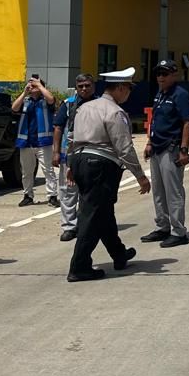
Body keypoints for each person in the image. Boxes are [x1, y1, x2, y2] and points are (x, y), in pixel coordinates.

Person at [65, 67, 150, 282]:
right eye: (128, 89)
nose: (128, 93)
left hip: (79, 160)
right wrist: (140, 176)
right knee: (92, 215)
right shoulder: (115, 112)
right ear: (120, 88)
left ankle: (118, 254)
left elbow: (72, 138)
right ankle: (79, 266)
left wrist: (69, 166)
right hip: (100, 165)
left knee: (102, 211)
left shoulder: (85, 107)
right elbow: (124, 147)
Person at [141, 59, 189, 248]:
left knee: (173, 191)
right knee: (158, 191)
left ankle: (178, 231)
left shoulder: (180, 95)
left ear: (174, 75)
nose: (160, 77)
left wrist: (184, 150)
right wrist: (149, 142)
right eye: (158, 74)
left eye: (164, 74)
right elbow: (155, 119)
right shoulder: (160, 94)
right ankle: (162, 227)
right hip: (156, 147)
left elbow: (187, 122)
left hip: (171, 148)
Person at [51, 72, 96, 242]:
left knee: (89, 192)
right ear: (76, 88)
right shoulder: (68, 105)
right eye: (80, 86)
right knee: (67, 191)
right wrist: (55, 152)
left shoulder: (100, 104)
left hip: (92, 155)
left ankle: (86, 224)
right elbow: (58, 128)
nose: (84, 89)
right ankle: (69, 226)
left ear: (93, 86)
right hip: (68, 155)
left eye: (87, 85)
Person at [12, 74, 57, 207]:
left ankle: (52, 196)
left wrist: (40, 85)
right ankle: (28, 195)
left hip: (43, 142)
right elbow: (14, 108)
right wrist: (24, 92)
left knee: (48, 170)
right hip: (26, 142)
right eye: (30, 85)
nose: (32, 87)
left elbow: (51, 99)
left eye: (34, 86)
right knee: (26, 171)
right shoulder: (26, 101)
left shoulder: (45, 101)